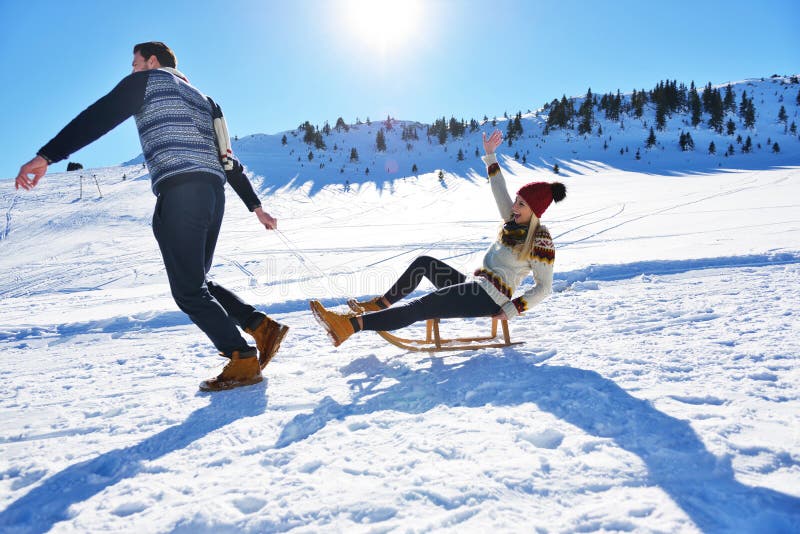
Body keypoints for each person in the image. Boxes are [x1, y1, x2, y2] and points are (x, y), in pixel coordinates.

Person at [14, 42, 288, 391]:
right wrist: (256, 206)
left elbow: (100, 115)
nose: (131, 70)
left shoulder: (148, 82)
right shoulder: (206, 101)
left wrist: (47, 156)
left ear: (152, 61)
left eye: (135, 63)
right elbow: (227, 159)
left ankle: (242, 358)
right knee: (196, 281)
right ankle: (259, 326)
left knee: (189, 291)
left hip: (180, 192)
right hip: (212, 194)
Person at [309, 129, 566, 346]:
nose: (514, 207)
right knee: (424, 263)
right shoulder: (512, 223)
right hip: (476, 285)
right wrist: (490, 156)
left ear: (534, 211)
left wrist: (513, 308)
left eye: (521, 204)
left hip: (490, 298)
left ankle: (350, 326)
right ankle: (379, 305)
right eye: (517, 201)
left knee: (422, 306)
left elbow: (544, 287)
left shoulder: (540, 240)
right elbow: (500, 191)